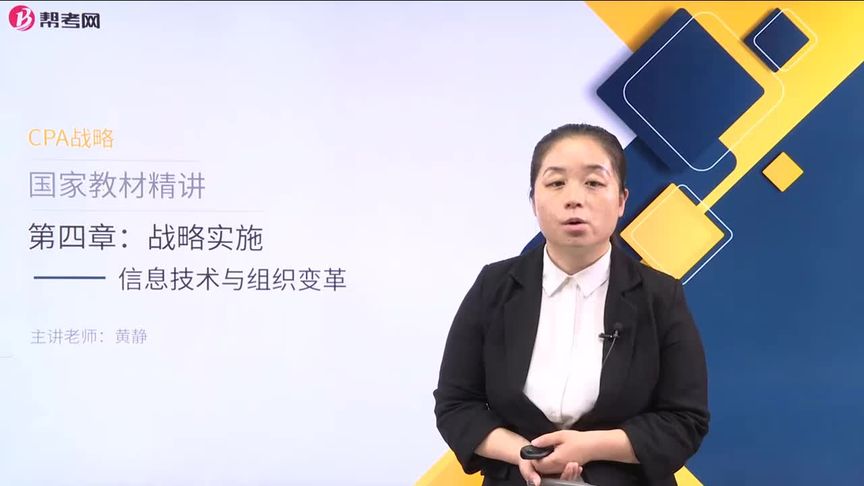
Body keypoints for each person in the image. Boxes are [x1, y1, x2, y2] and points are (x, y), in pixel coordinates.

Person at [433, 123, 709, 486]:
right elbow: (456, 404)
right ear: (533, 201)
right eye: (556, 183)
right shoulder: (494, 287)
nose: (574, 198)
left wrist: (590, 447)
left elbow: (685, 421)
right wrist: (522, 452)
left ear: (622, 200)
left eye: (593, 182)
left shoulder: (659, 296)